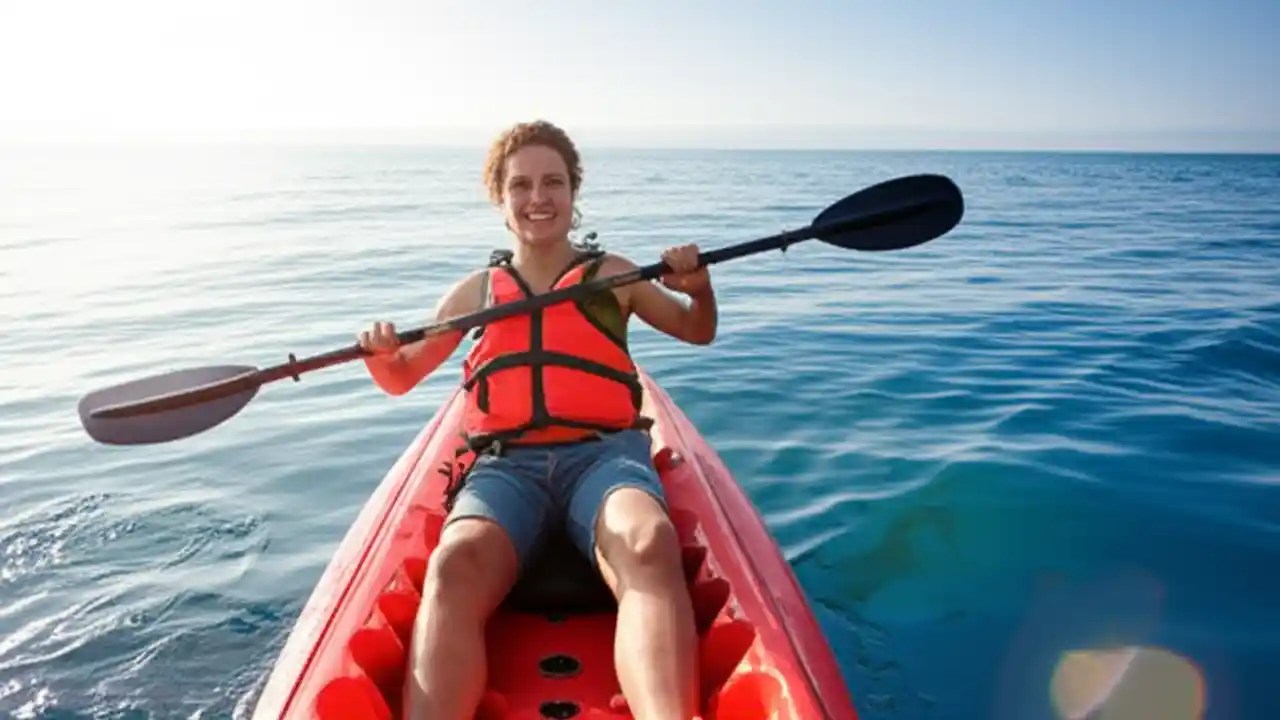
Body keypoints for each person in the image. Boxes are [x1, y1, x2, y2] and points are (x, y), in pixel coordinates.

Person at [357, 119, 717, 720]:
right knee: (453, 563)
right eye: (521, 185)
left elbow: (695, 330)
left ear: (574, 194)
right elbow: (401, 377)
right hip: (506, 470)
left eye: (553, 182)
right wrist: (380, 353)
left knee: (650, 540)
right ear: (500, 199)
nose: (537, 198)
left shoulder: (613, 277)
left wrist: (699, 289)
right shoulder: (478, 291)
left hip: (604, 457)